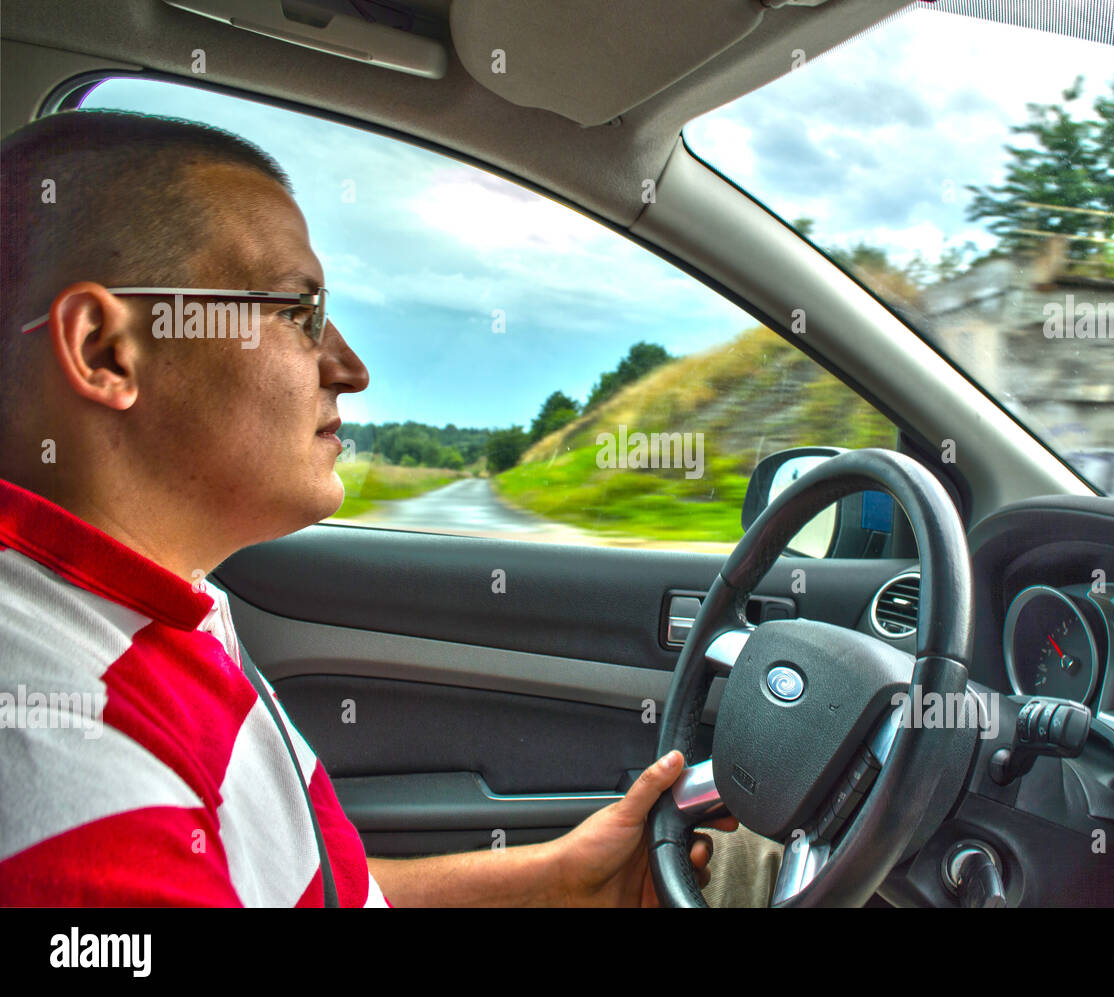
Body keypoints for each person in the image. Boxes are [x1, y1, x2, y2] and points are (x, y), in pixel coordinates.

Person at [0, 109, 744, 906]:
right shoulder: (75, 781)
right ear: (107, 351)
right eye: (299, 309)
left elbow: (309, 892)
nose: (349, 368)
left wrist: (564, 880)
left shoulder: (152, 600)